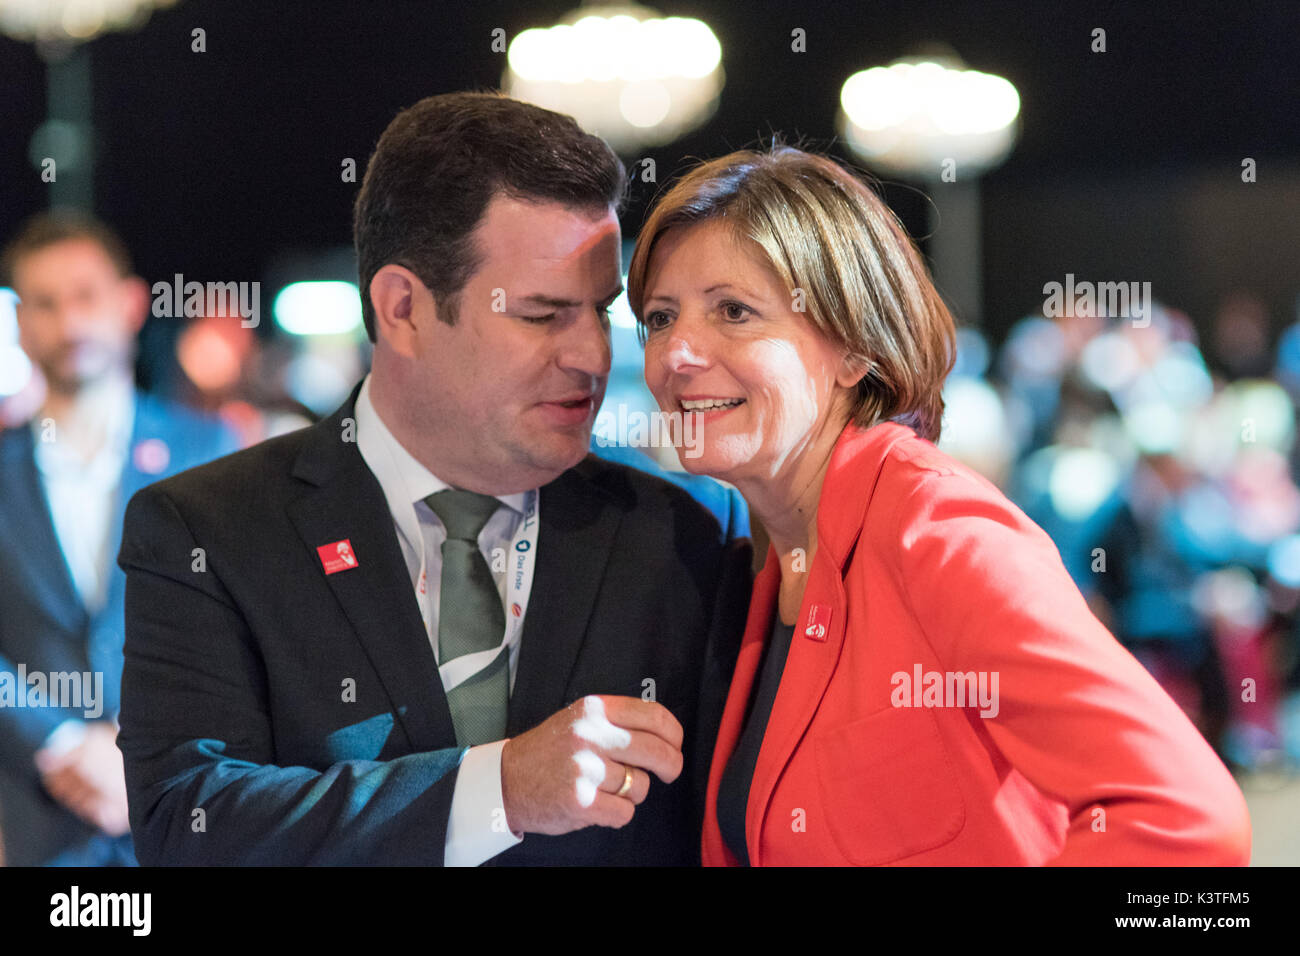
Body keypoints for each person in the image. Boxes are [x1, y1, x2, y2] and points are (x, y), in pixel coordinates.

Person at [115, 92, 752, 866]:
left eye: (602, 311)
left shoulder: (692, 532)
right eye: (542, 313)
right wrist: (501, 790)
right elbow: (188, 822)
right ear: (404, 309)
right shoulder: (207, 530)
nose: (591, 354)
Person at [626, 145, 1253, 865]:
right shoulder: (758, 567)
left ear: (852, 348)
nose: (677, 354)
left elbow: (1185, 820)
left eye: (733, 311)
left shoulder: (939, 532)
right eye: (661, 318)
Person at [0, 212, 240, 866]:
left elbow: (243, 629)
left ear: (131, 303)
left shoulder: (213, 453)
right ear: (21, 323)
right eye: (45, 304)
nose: (70, 323)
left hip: (188, 812)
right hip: (43, 821)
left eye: (86, 296)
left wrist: (133, 746)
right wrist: (55, 742)